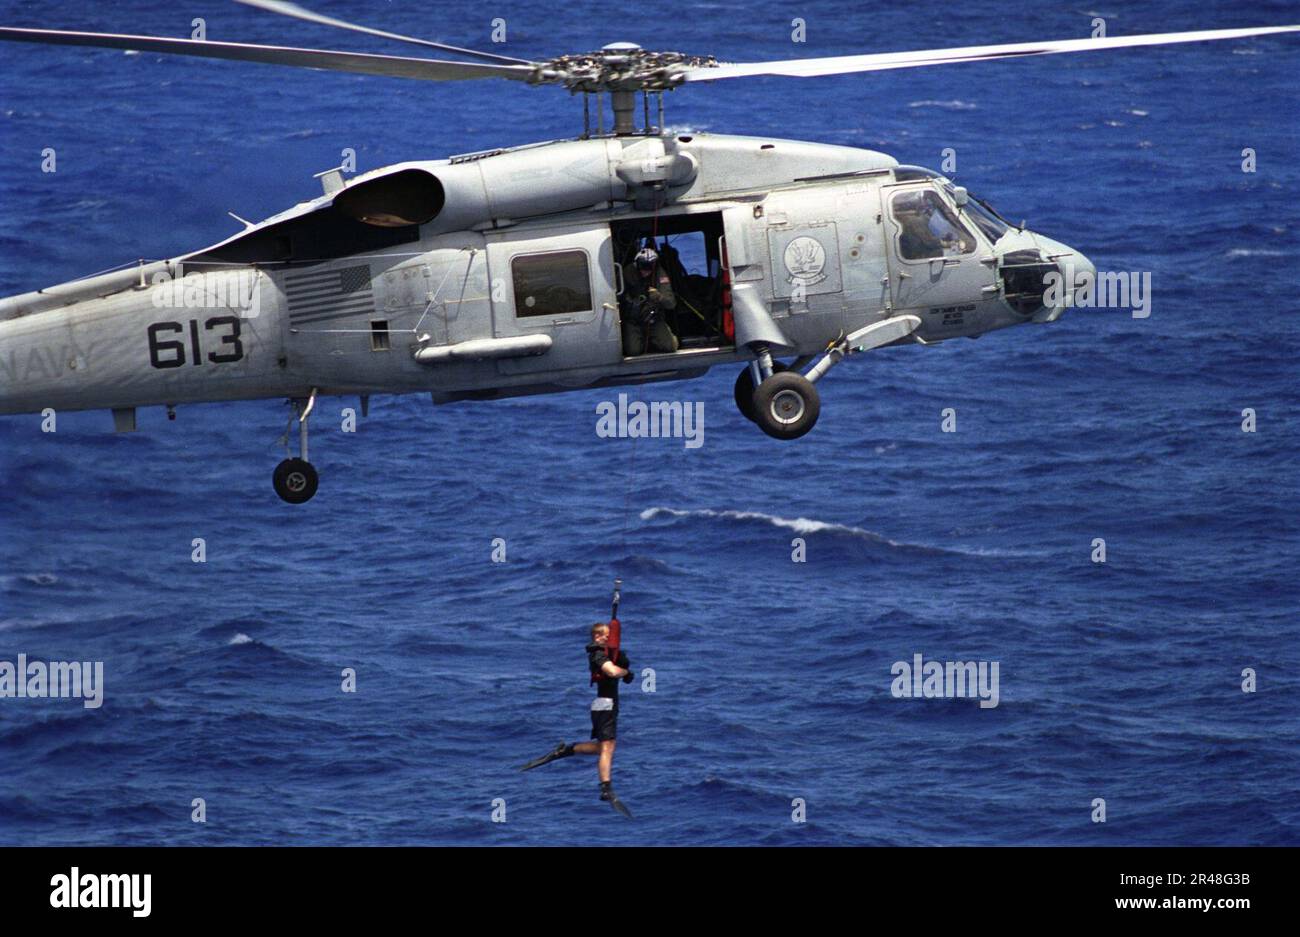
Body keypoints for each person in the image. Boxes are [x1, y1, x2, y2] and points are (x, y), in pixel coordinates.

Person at [519, 621, 636, 816]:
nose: (608, 638)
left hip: (608, 705)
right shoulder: (597, 655)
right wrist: (625, 673)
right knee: (607, 748)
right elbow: (612, 671)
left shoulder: (608, 653)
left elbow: (621, 663)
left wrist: (619, 656)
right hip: (604, 705)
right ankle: (606, 789)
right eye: (605, 636)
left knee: (604, 748)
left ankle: (565, 750)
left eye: (610, 636)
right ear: (597, 637)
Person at [620, 245, 679, 356]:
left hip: (653, 320)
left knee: (670, 347)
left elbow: (671, 303)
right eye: (642, 267)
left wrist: (658, 296)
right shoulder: (627, 273)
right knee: (633, 351)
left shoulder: (660, 275)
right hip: (633, 321)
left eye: (649, 268)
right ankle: (641, 341)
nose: (645, 271)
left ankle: (658, 339)